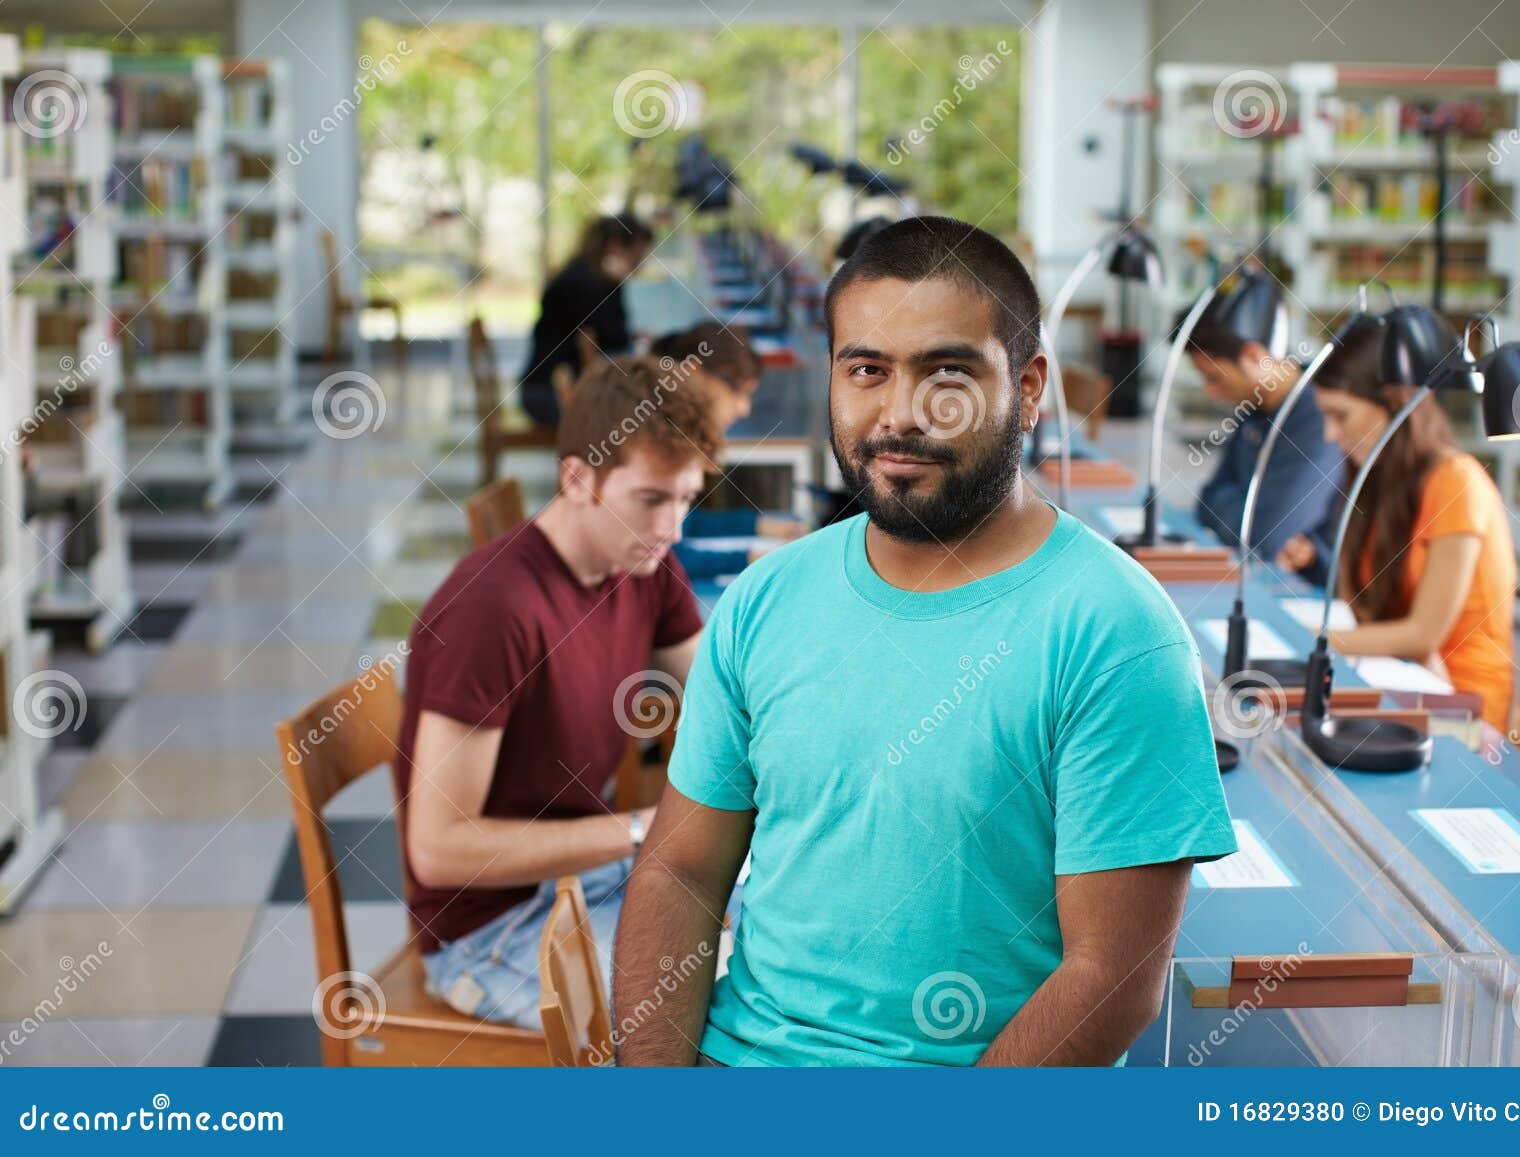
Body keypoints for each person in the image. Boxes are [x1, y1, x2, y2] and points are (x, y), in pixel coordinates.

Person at [613, 215, 1237, 1067]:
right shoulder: (765, 601)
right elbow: (679, 871)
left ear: (1027, 388)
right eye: (866, 370)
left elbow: (1114, 975)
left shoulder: (1118, 632)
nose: (900, 414)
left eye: (947, 373)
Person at [397, 356, 722, 1028]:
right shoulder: (491, 610)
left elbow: (722, 698)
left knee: (789, 942)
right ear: (578, 478)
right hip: (486, 931)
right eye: (652, 499)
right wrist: (641, 830)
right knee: (694, 1013)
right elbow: (435, 850)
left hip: (584, 880)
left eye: (687, 498)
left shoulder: (641, 564)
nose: (673, 527)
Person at [1275, 319, 1517, 731]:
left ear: (1395, 406)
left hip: (1460, 706)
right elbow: (1360, 605)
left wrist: (1311, 637)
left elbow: (1422, 634)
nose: (1331, 435)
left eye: (1341, 416)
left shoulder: (1458, 482)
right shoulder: (1376, 480)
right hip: (1396, 678)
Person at [1181, 271, 1344, 564]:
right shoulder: (1257, 408)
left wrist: (1238, 509)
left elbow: (1262, 536)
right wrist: (1240, 509)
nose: (1211, 392)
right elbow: (1206, 501)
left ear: (1255, 356)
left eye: (1215, 378)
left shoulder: (1318, 416)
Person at [649, 322, 808, 579]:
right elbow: (665, 558)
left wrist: (760, 525)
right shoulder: (654, 446)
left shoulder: (671, 434)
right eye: (738, 392)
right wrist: (753, 559)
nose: (744, 409)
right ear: (693, 373)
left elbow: (688, 526)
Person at [518, 213, 655, 425]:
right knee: (645, 413)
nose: (640, 264)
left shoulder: (588, 275)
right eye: (637, 255)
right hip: (548, 395)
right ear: (615, 246)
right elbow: (598, 345)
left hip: (544, 389)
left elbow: (605, 336)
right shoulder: (588, 284)